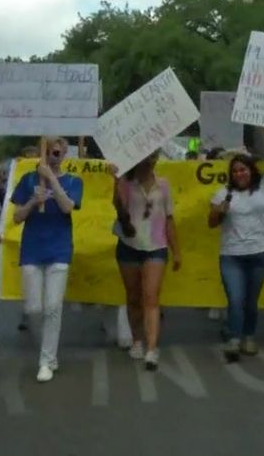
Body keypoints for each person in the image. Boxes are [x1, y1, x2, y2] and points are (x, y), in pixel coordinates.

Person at [10, 137, 84, 383]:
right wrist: (33, 201)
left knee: (53, 307)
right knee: (33, 309)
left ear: (64, 155)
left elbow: (67, 207)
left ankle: (46, 359)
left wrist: (51, 179)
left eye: (58, 152)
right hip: (32, 249)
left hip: (59, 249)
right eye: (50, 151)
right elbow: (17, 217)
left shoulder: (73, 181)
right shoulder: (28, 180)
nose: (54, 155)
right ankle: (47, 353)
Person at [209, 127, 264, 362]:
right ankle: (234, 338)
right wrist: (219, 211)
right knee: (236, 299)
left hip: (259, 254)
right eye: (236, 170)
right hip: (231, 256)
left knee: (251, 301)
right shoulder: (222, 193)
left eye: (244, 169)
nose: (240, 173)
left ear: (252, 171)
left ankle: (249, 336)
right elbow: (211, 222)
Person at [112, 151, 182, 372]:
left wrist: (176, 251)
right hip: (129, 246)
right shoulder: (125, 182)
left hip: (156, 247)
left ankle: (152, 349)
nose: (150, 162)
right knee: (133, 297)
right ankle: (137, 341)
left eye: (154, 158)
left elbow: (169, 218)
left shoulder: (163, 185)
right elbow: (119, 208)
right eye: (146, 157)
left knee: (151, 297)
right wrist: (116, 180)